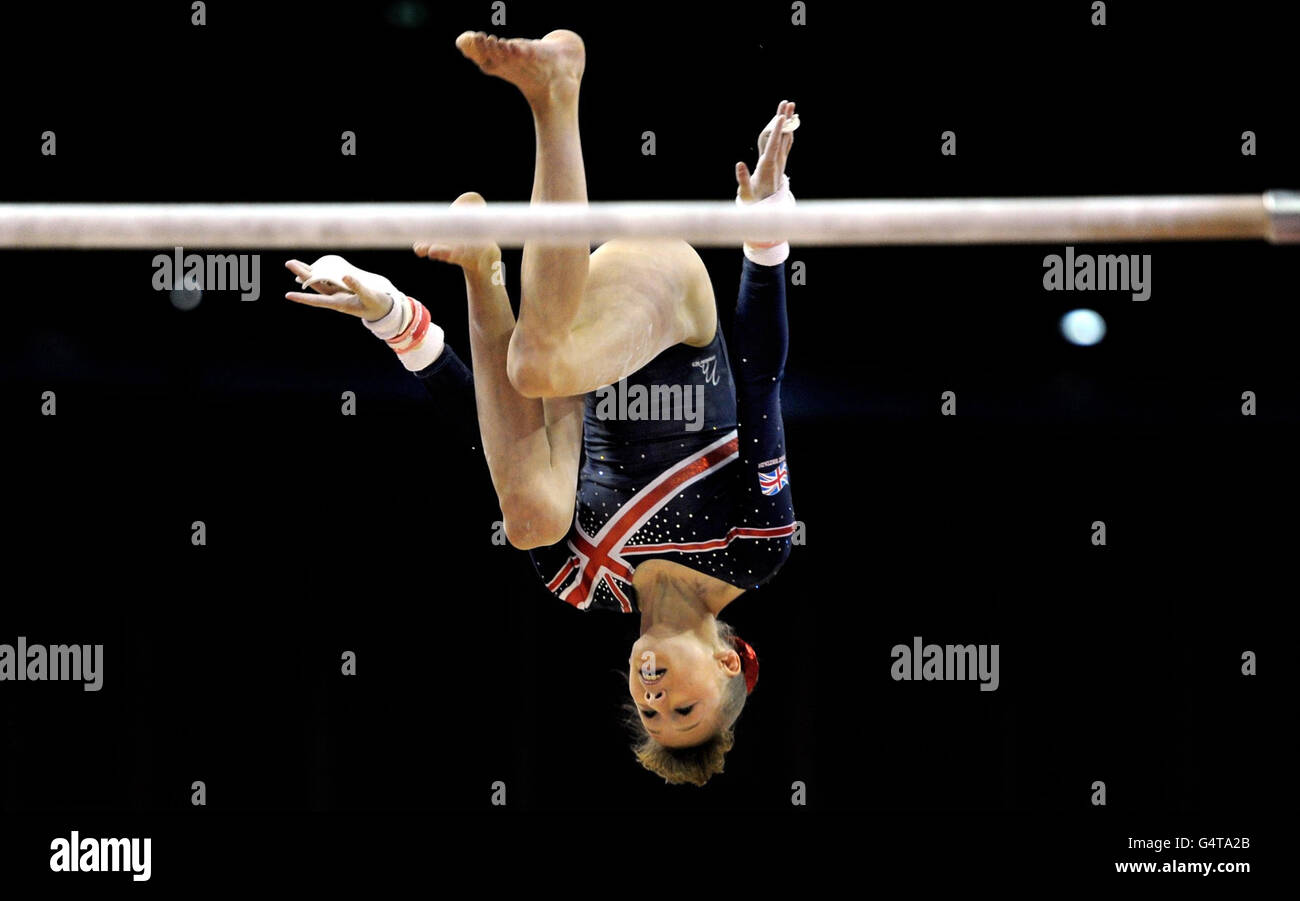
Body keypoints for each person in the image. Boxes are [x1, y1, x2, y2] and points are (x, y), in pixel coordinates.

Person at [285, 30, 797, 786]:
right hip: (668, 302)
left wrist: (389, 318)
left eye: (649, 714)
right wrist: (765, 235)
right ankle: (555, 96)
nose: (654, 698)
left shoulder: (581, 582)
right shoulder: (754, 549)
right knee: (537, 361)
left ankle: (481, 270)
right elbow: (761, 383)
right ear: (728, 663)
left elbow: (490, 434)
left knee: (529, 510)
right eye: (683, 709)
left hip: (564, 341)